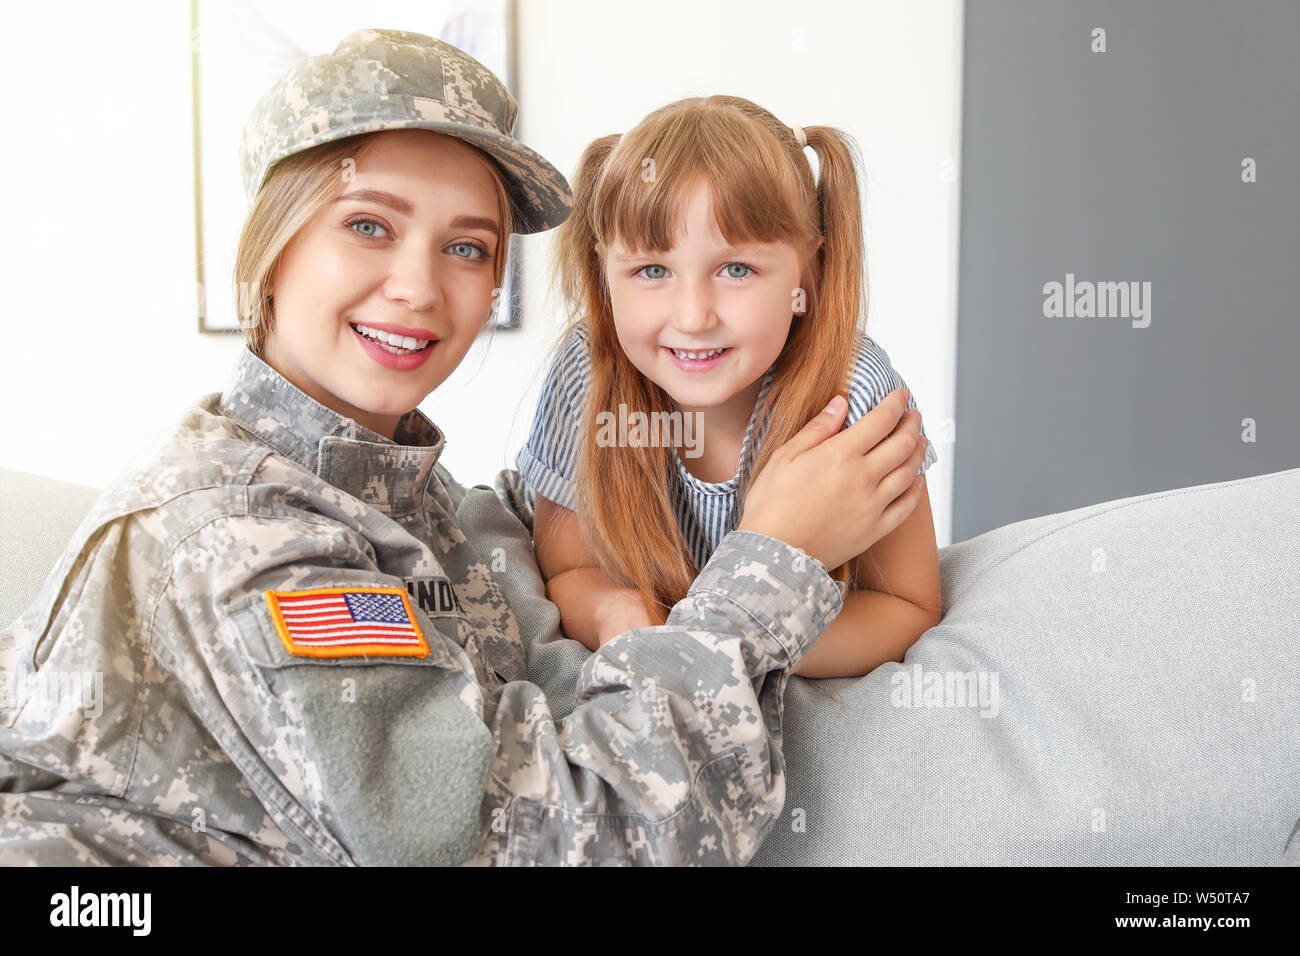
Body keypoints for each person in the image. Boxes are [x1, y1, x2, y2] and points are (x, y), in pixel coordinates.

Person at [0, 29, 928, 866]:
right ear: (272, 248)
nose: (417, 286)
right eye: (369, 225)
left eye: (468, 247)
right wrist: (772, 565)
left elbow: (545, 647)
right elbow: (569, 844)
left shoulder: (408, 493)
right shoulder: (242, 540)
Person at [519, 96, 940, 678]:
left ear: (807, 274)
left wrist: (731, 646)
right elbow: (567, 573)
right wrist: (617, 613)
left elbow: (908, 606)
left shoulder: (858, 394)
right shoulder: (585, 376)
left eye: (736, 270)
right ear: (604, 273)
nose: (693, 317)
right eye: (651, 270)